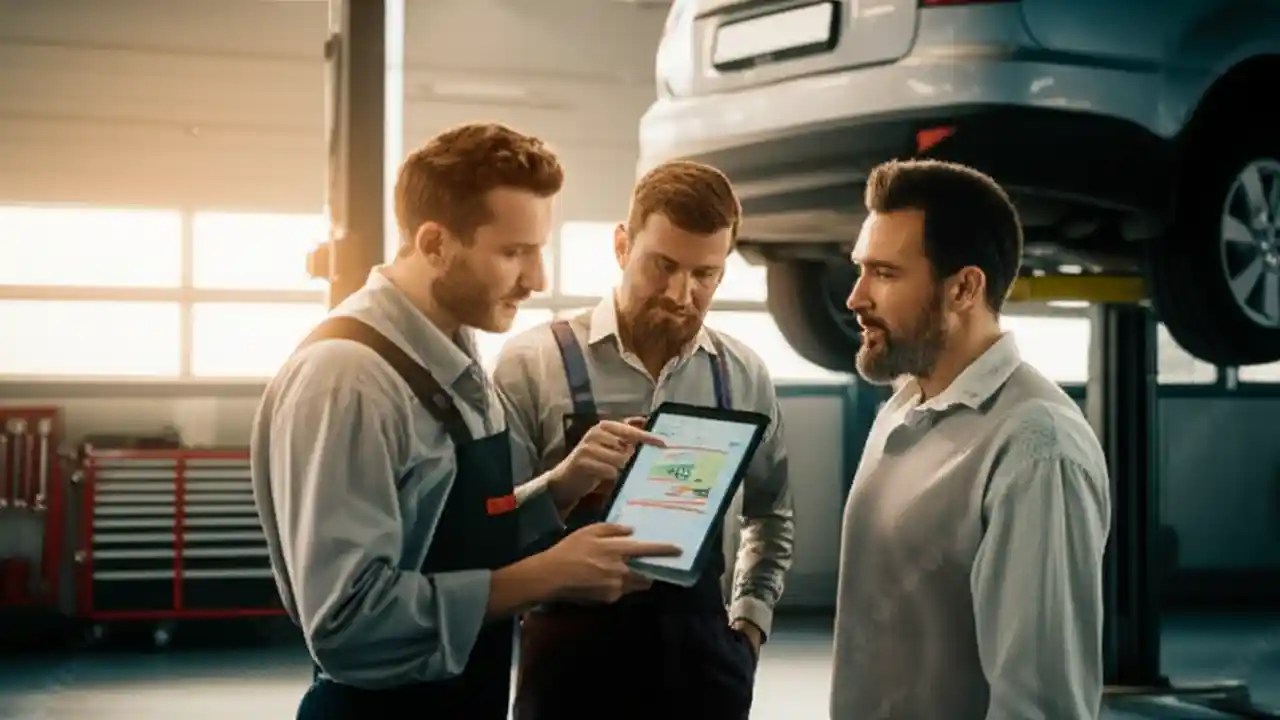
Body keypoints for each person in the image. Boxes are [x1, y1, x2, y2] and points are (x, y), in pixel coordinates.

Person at [249, 122, 682, 720]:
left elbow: (459, 535)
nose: (538, 279)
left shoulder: (454, 346)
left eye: (539, 250)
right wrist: (543, 577)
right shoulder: (349, 380)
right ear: (434, 245)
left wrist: (559, 488)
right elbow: (348, 622)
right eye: (513, 253)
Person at [494, 160, 796, 720]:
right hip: (570, 675)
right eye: (664, 265)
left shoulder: (743, 375)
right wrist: (562, 483)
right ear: (621, 245)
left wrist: (749, 628)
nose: (683, 293)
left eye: (705, 274)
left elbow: (771, 514)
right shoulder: (534, 364)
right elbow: (492, 532)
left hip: (706, 673)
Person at [829, 158, 1113, 719]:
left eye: (884, 274)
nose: (855, 297)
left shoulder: (1037, 448)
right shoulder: (905, 405)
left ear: (963, 287)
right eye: (861, 269)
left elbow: (1040, 702)